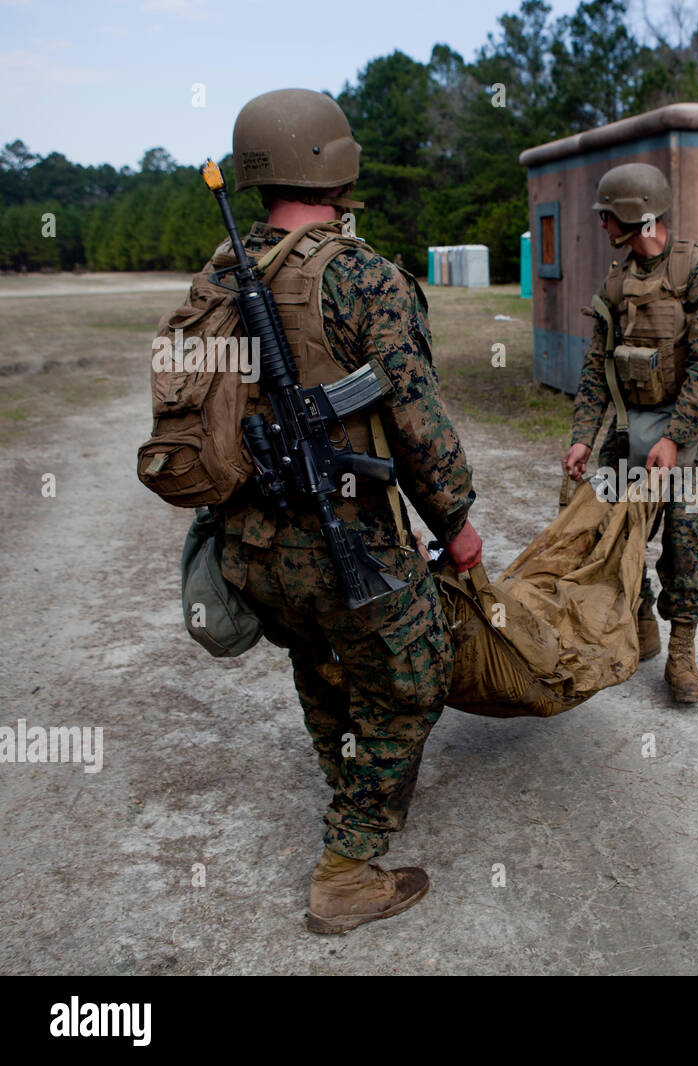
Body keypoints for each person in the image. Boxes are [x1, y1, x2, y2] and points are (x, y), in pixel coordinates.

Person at [203, 89, 480, 933]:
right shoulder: (365, 277)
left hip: (250, 543)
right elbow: (417, 424)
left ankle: (348, 781)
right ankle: (349, 863)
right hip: (342, 540)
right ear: (335, 165)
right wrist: (456, 523)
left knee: (318, 659)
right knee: (409, 684)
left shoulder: (217, 273)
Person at [561, 163, 698, 704]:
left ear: (638, 215)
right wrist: (584, 436)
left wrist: (675, 438)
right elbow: (597, 366)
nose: (603, 224)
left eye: (609, 215)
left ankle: (682, 652)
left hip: (693, 425)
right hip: (634, 424)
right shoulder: (616, 281)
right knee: (610, 523)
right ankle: (639, 613)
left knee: (683, 533)